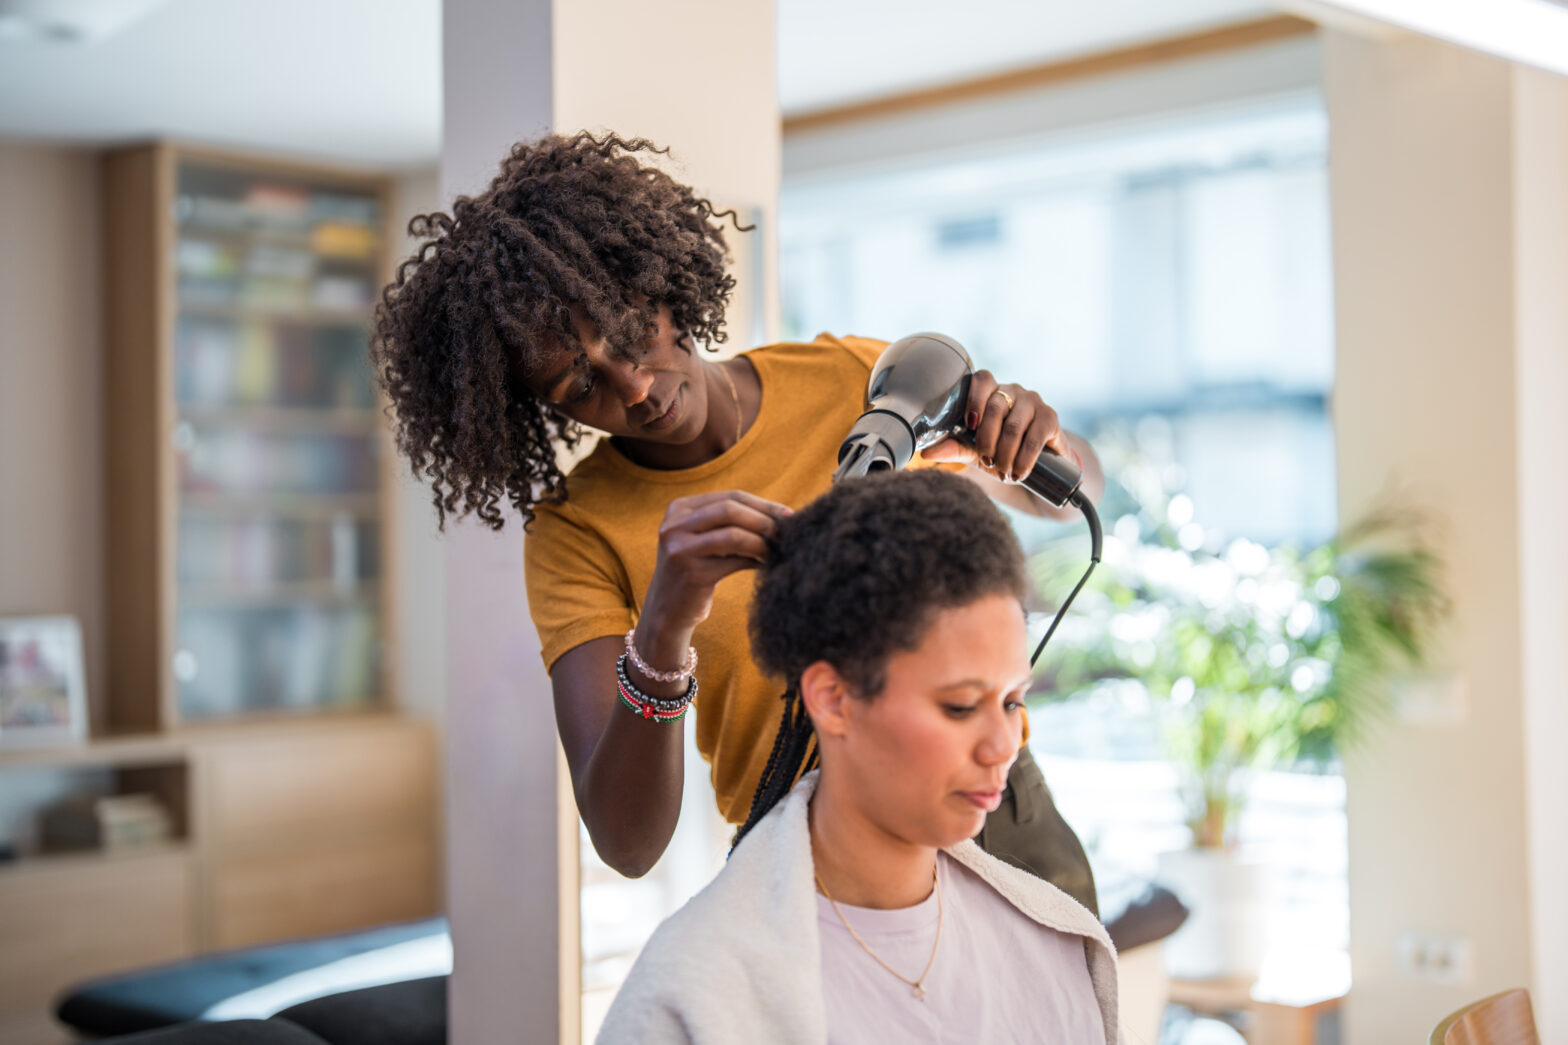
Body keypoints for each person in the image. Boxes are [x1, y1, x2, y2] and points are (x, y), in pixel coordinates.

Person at [371, 131, 1102, 908]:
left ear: (661, 282)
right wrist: (661, 632)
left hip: (999, 817)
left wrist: (1026, 441)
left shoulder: (853, 378)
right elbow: (627, 842)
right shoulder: (578, 532)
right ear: (541, 408)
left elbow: (1074, 484)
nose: (635, 385)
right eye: (580, 381)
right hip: (809, 872)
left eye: (628, 331)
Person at [597, 470, 1117, 1043]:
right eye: (962, 706)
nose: (1004, 746)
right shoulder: (693, 993)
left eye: (1012, 700)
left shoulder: (1053, 945)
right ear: (834, 699)